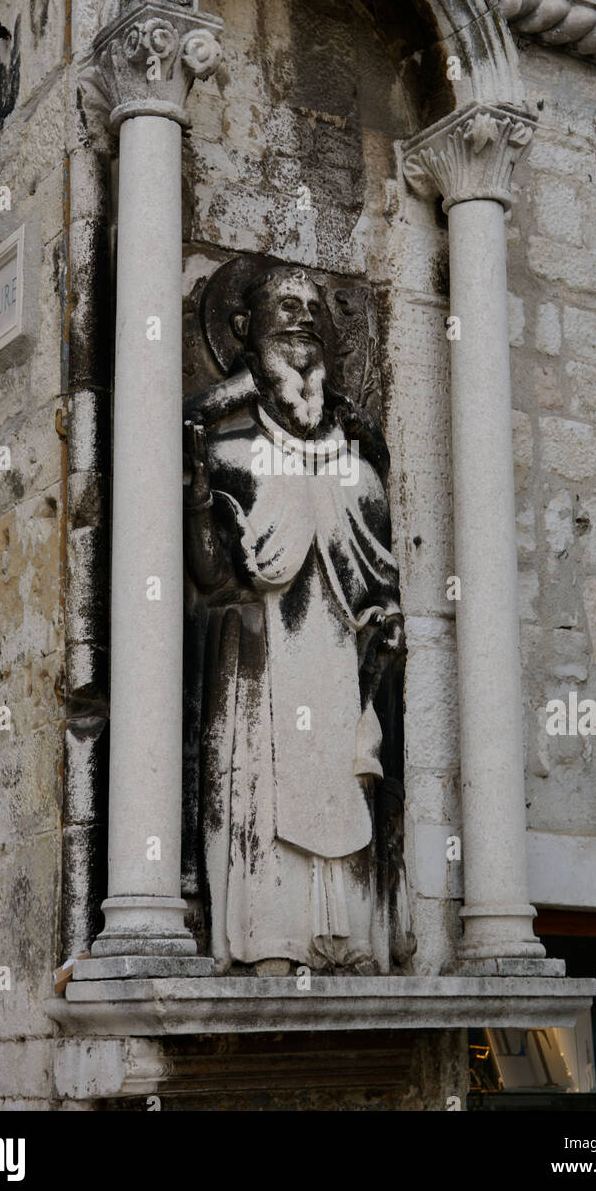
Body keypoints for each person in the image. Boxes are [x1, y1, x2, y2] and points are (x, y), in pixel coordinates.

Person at [184, 261, 413, 973]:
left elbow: (381, 588)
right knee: (264, 793)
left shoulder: (360, 465)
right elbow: (214, 577)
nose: (303, 318)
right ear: (245, 329)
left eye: (315, 307)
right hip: (256, 671)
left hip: (341, 671)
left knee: (346, 796)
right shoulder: (225, 453)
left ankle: (351, 940)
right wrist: (196, 493)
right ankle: (267, 941)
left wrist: (385, 631)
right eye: (285, 306)